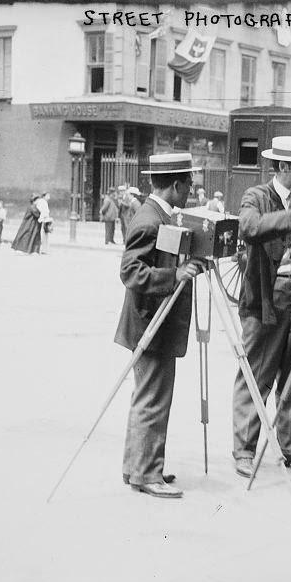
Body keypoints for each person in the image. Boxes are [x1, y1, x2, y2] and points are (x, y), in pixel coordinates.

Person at [232, 135, 291, 478]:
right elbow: (249, 227)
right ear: (283, 166)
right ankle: (244, 449)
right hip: (265, 300)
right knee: (257, 374)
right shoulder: (256, 196)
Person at [115, 153, 207, 499]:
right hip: (149, 325)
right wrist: (175, 275)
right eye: (189, 186)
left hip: (154, 322)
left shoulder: (159, 215)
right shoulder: (149, 220)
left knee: (148, 398)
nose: (192, 193)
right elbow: (130, 271)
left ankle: (136, 467)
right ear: (176, 185)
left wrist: (188, 264)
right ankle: (145, 473)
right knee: (152, 400)